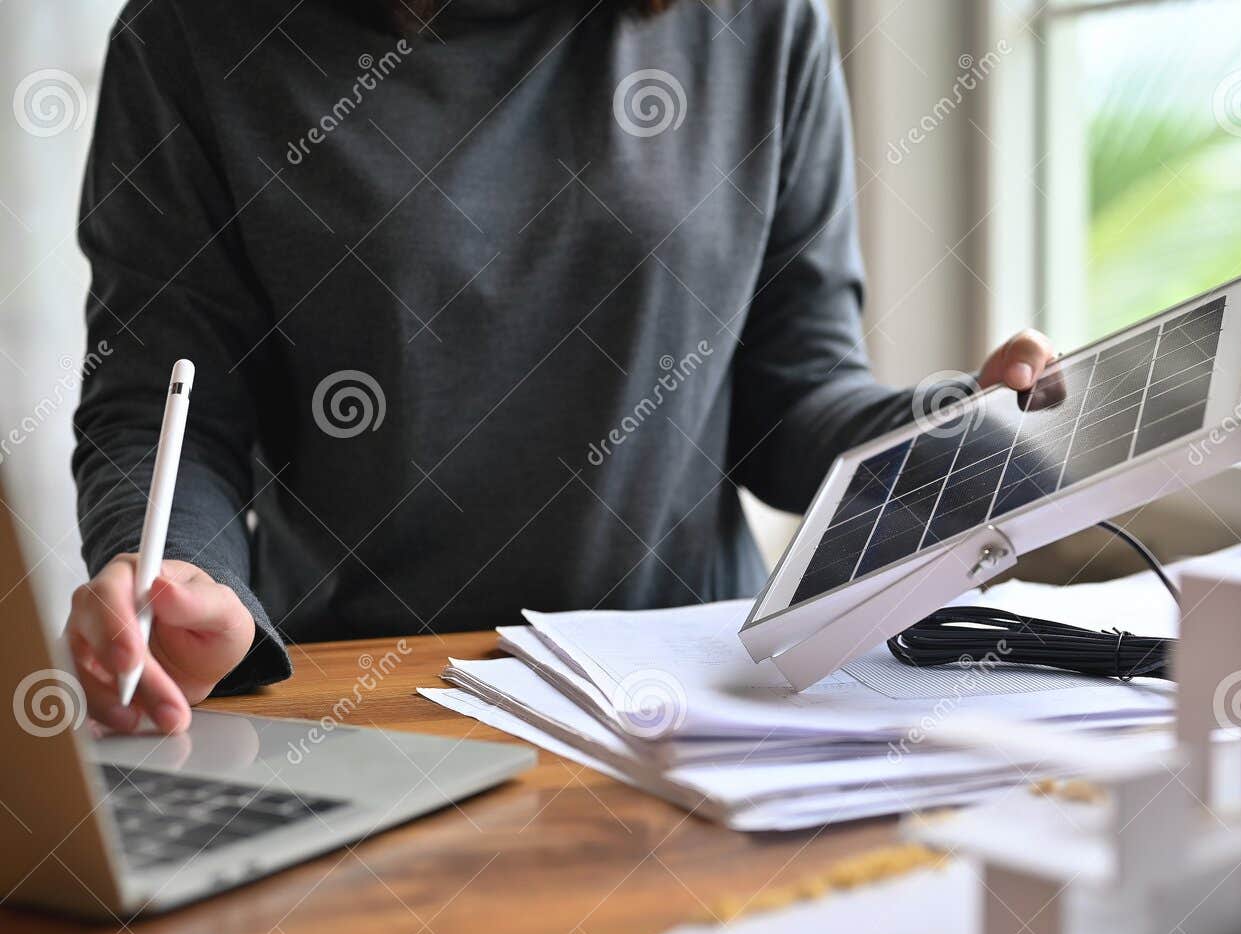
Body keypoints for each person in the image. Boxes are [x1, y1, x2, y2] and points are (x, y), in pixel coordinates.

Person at [65, 0, 1054, 734]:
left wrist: (948, 429)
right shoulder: (189, 40)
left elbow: (786, 397)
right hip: (365, 705)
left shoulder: (757, 22)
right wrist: (181, 580)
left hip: (695, 706)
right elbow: (164, 412)